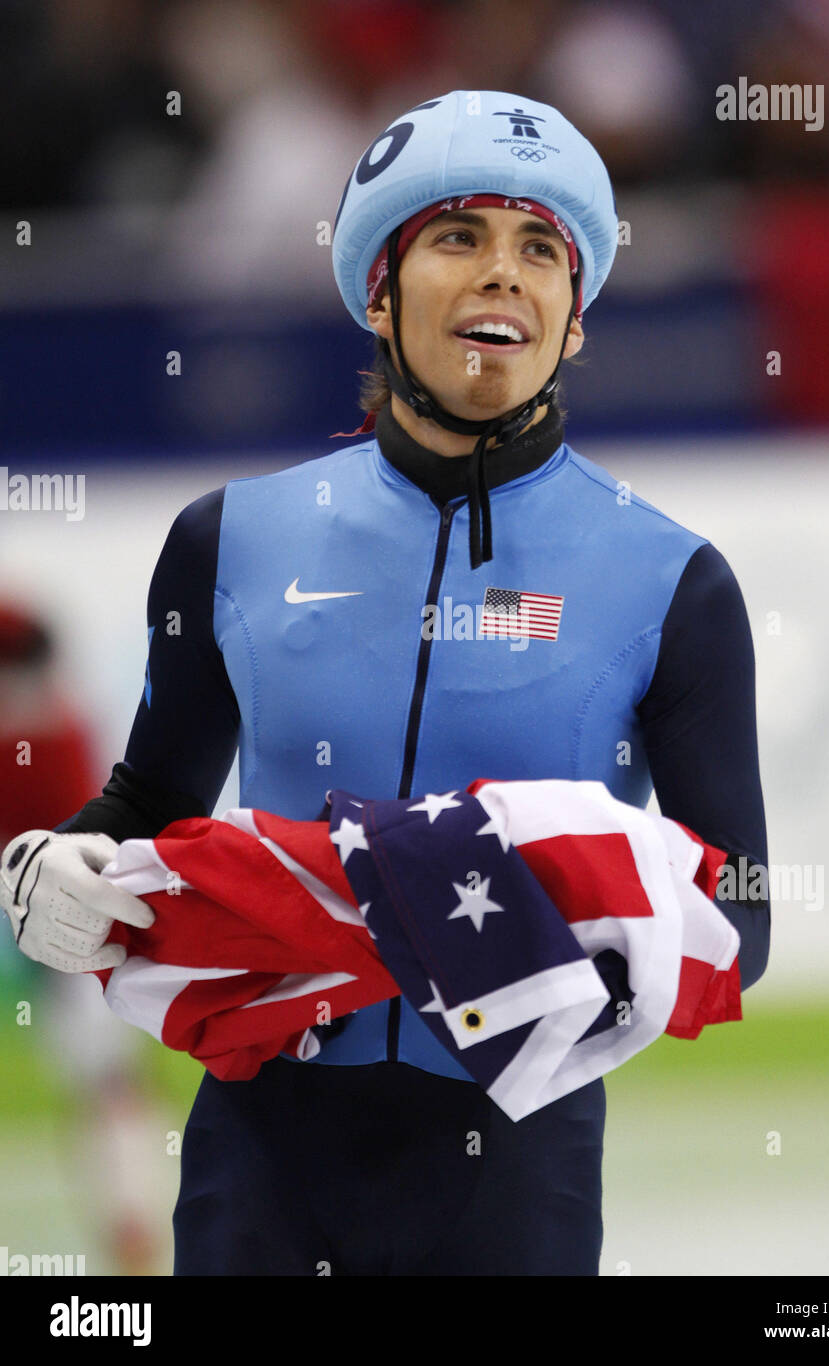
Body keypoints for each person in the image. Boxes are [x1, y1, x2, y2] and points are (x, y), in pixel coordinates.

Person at [0, 90, 769, 1277]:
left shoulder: (672, 580)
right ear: (379, 289)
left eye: (539, 251)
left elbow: (744, 920)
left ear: (575, 320)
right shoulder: (230, 539)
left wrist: (437, 911)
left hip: (519, 1152)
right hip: (261, 1140)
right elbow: (148, 804)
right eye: (458, 237)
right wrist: (52, 865)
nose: (501, 275)